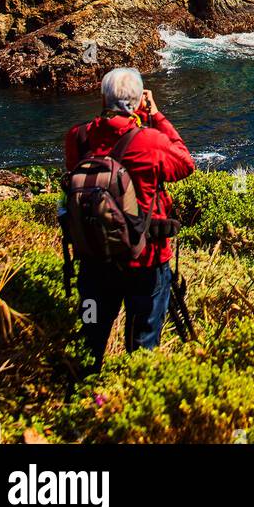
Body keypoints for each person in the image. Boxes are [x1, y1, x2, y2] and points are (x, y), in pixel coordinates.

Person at [64, 67, 195, 369]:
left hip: (93, 259)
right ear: (139, 103)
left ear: (102, 99)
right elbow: (186, 164)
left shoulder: (78, 137)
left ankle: (84, 400)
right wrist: (157, 117)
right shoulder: (150, 141)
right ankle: (132, 402)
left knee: (89, 337)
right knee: (143, 343)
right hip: (145, 260)